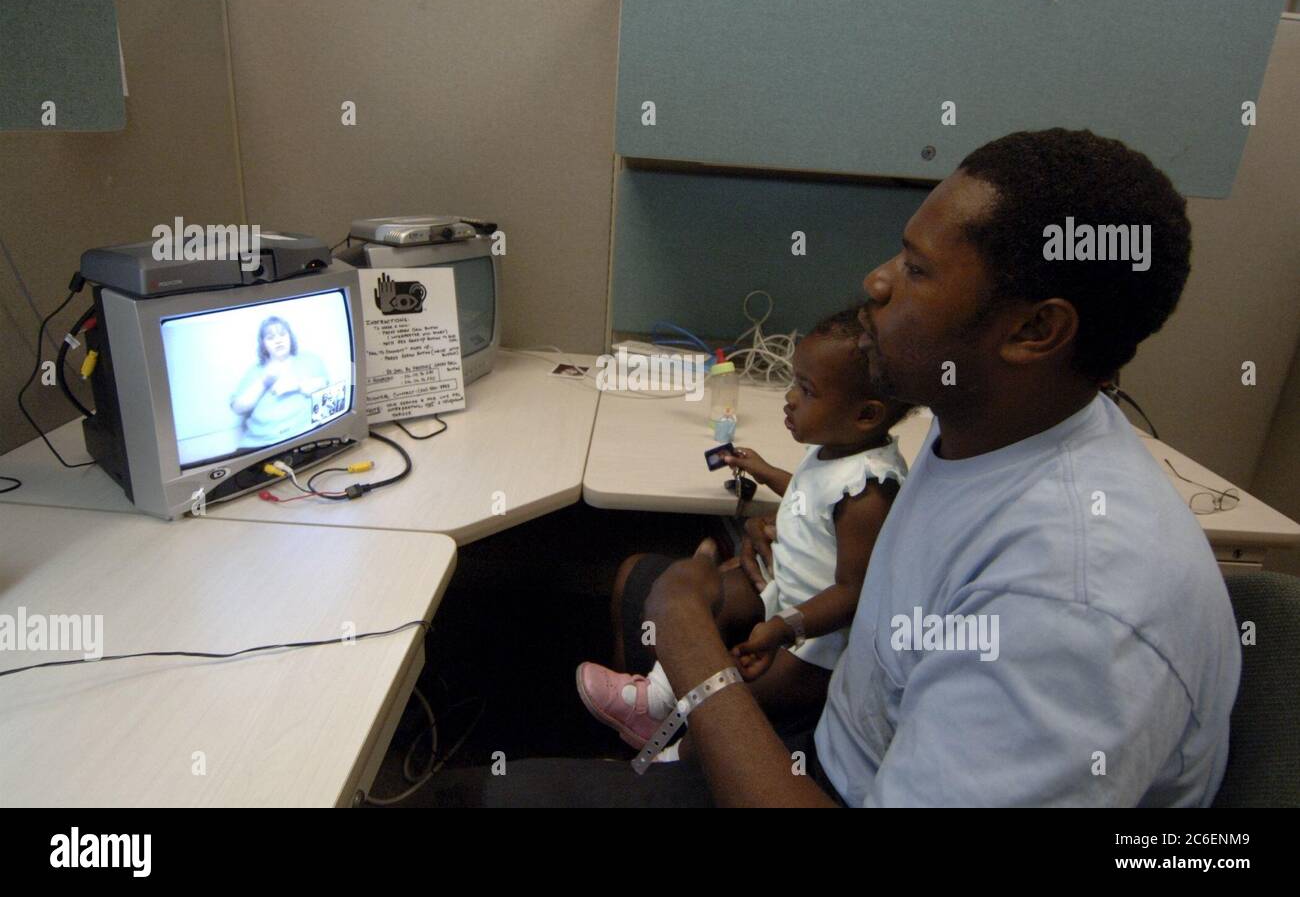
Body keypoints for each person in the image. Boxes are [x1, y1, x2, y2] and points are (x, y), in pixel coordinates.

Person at [405, 128, 1240, 807]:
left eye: (917, 270)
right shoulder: (988, 429)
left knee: (468, 796)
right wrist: (803, 538)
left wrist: (695, 655)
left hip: (844, 782)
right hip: (851, 736)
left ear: (1034, 332)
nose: (876, 281)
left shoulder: (1074, 610)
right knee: (630, 584)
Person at [576, 309, 911, 758]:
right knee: (715, 598)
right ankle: (652, 702)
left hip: (817, 644)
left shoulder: (868, 489)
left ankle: (674, 759)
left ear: (865, 414)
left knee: (730, 709)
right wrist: (766, 471)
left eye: (806, 390)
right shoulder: (837, 448)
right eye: (794, 382)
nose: (789, 398)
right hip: (780, 589)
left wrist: (783, 628)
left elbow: (853, 593)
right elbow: (810, 496)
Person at [229, 316, 329, 448]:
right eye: (270, 337)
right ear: (263, 344)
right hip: (260, 443)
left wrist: (297, 385)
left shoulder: (309, 359)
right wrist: (264, 381)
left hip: (305, 436)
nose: (278, 340)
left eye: (282, 334)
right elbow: (238, 408)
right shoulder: (254, 371)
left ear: (290, 337)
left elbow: (324, 386)